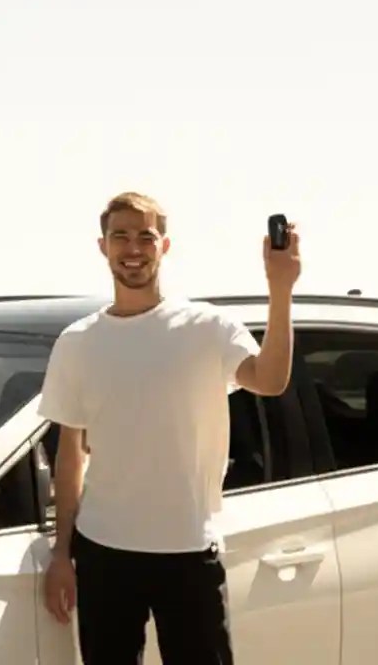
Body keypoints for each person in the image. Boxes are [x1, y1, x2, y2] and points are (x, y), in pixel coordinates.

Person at [37, 191, 300, 664]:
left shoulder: (206, 327)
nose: (132, 248)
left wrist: (280, 289)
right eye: (121, 236)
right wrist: (62, 553)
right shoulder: (77, 343)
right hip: (103, 553)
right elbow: (70, 453)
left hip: (187, 551)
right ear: (103, 246)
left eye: (145, 236)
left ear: (165, 246)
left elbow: (270, 379)